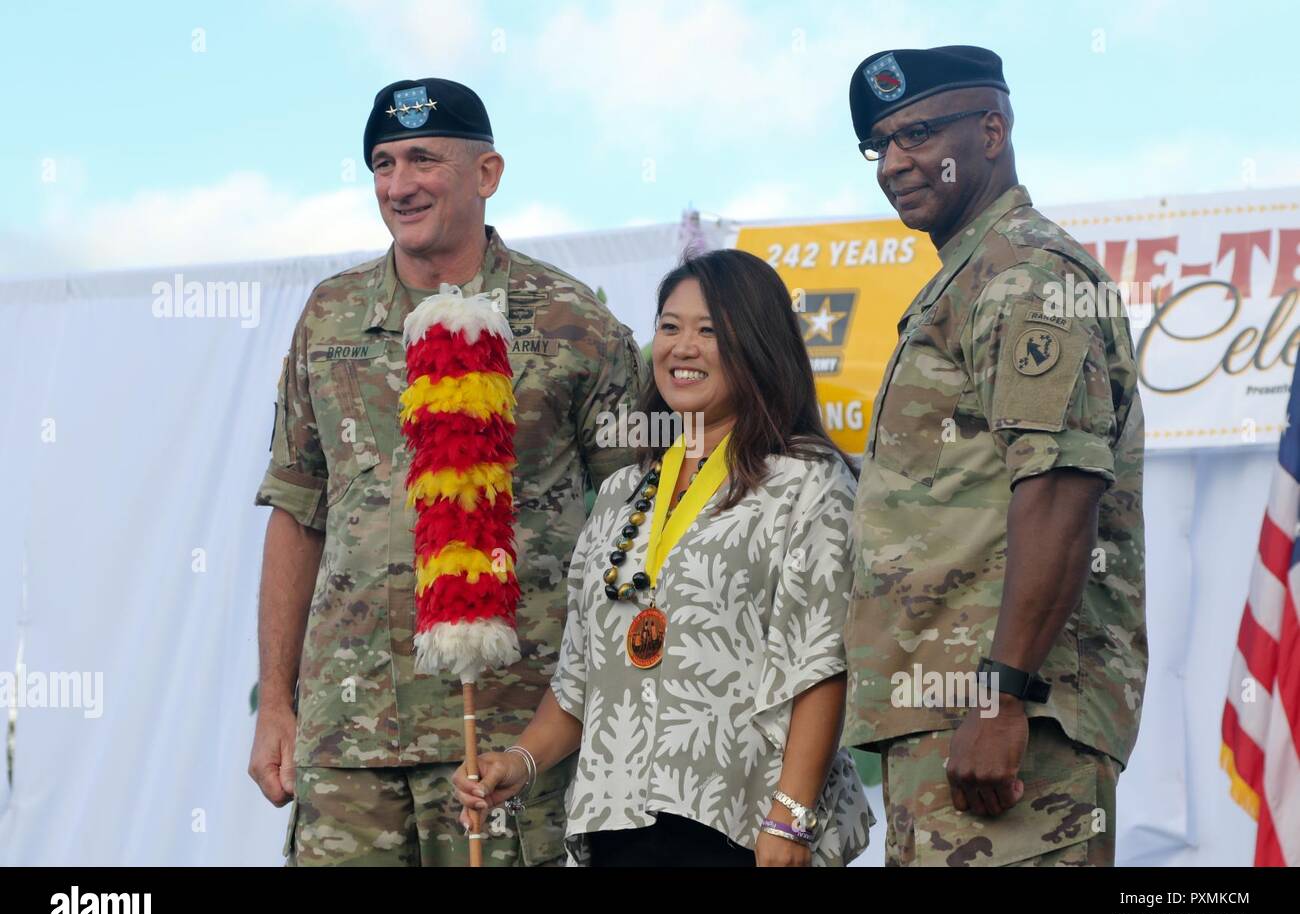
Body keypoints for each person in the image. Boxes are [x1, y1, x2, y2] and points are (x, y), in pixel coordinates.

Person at [248, 77, 646, 866]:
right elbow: (298, 512)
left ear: (486, 174)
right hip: (350, 732)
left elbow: (638, 518)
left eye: (424, 159)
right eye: (383, 164)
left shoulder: (571, 320)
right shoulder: (330, 315)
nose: (400, 185)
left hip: (511, 736)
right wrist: (277, 703)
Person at [452, 249, 874, 866]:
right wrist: (517, 763)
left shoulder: (807, 482)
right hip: (616, 826)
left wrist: (792, 819)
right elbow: (579, 681)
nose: (682, 347)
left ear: (757, 345)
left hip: (742, 826)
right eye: (670, 328)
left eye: (709, 331)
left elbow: (821, 663)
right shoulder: (625, 491)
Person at [842, 45, 1146, 866]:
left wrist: (1003, 695)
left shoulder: (1025, 274)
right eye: (880, 145)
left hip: (1010, 728)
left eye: (917, 134)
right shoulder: (973, 276)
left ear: (991, 129)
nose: (896, 163)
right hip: (946, 723)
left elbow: (1058, 488)